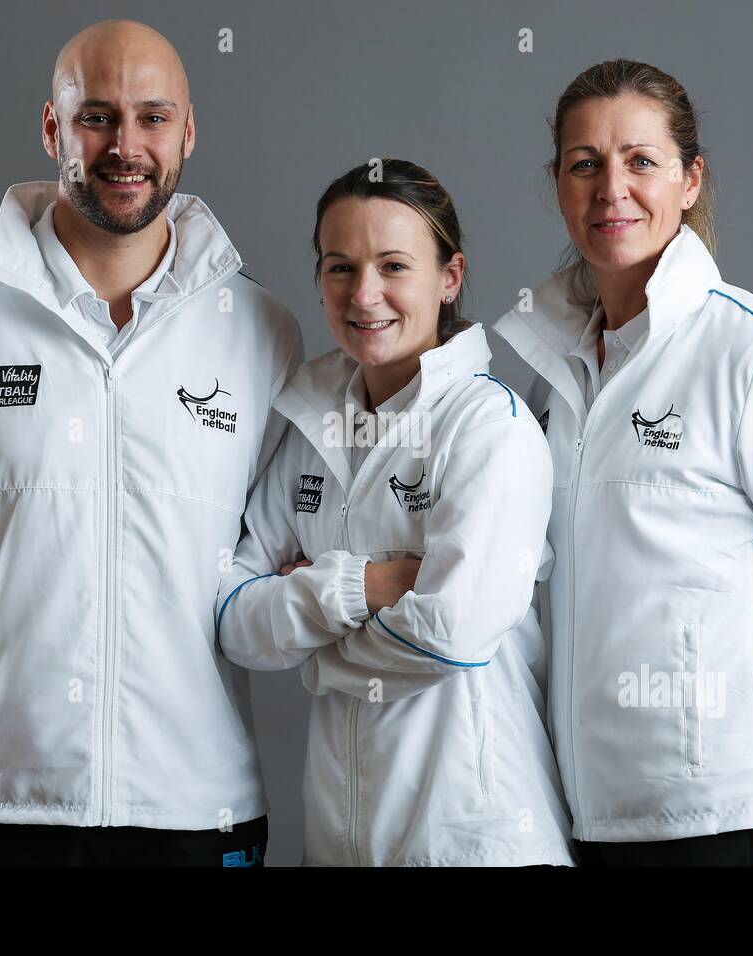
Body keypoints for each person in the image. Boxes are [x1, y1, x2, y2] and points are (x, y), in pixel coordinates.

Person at [0, 20, 302, 866]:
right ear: (53, 128)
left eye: (153, 118)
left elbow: (269, 563)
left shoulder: (262, 333)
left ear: (188, 132)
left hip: (196, 809)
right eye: (97, 116)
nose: (126, 146)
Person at [493, 59, 753, 866]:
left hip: (739, 824)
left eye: (641, 160)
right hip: (597, 823)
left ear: (689, 180)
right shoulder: (554, 377)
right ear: (560, 184)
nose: (612, 189)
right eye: (585, 164)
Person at [215, 159, 574, 866]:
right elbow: (232, 622)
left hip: (478, 841)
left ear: (450, 277)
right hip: (343, 843)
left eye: (394, 265)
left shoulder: (488, 427)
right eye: (339, 267)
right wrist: (371, 588)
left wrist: (310, 643)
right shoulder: (312, 425)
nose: (365, 294)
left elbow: (450, 633)